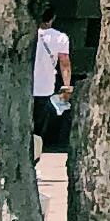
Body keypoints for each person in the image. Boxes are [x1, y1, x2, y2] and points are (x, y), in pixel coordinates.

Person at [31, 17, 73, 160]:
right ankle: (33, 160)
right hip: (44, 89)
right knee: (37, 130)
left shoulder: (28, 33)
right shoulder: (60, 38)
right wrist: (67, 85)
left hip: (25, 88)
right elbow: (64, 63)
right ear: (53, 17)